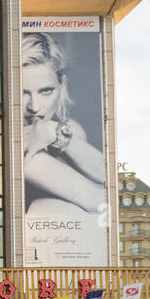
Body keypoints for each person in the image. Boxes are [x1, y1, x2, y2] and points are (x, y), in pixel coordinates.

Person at [21, 33, 106, 215]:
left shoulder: (66, 129)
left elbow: (108, 177)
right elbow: (100, 200)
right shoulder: (17, 149)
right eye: (22, 93)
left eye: (46, 91)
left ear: (62, 86)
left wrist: (54, 133)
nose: (34, 107)